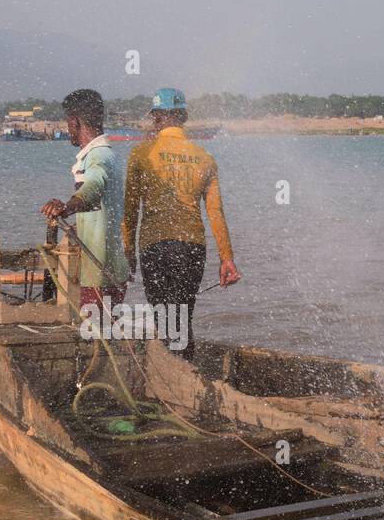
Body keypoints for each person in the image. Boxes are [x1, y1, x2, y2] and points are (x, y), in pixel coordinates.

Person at [123, 87, 240, 360]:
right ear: (184, 118)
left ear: (156, 118)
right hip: (191, 248)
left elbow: (130, 211)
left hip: (155, 248)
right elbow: (216, 213)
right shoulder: (204, 158)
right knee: (183, 316)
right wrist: (227, 259)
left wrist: (127, 252)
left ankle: (173, 380)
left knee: (164, 318)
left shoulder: (140, 154)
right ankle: (187, 374)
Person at [40, 89, 130, 310]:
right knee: (102, 333)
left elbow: (93, 189)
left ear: (74, 122)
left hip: (100, 270)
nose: (68, 129)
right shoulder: (102, 154)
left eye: (68, 123)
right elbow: (98, 206)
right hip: (106, 267)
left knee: (95, 336)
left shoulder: (99, 156)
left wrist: (66, 207)